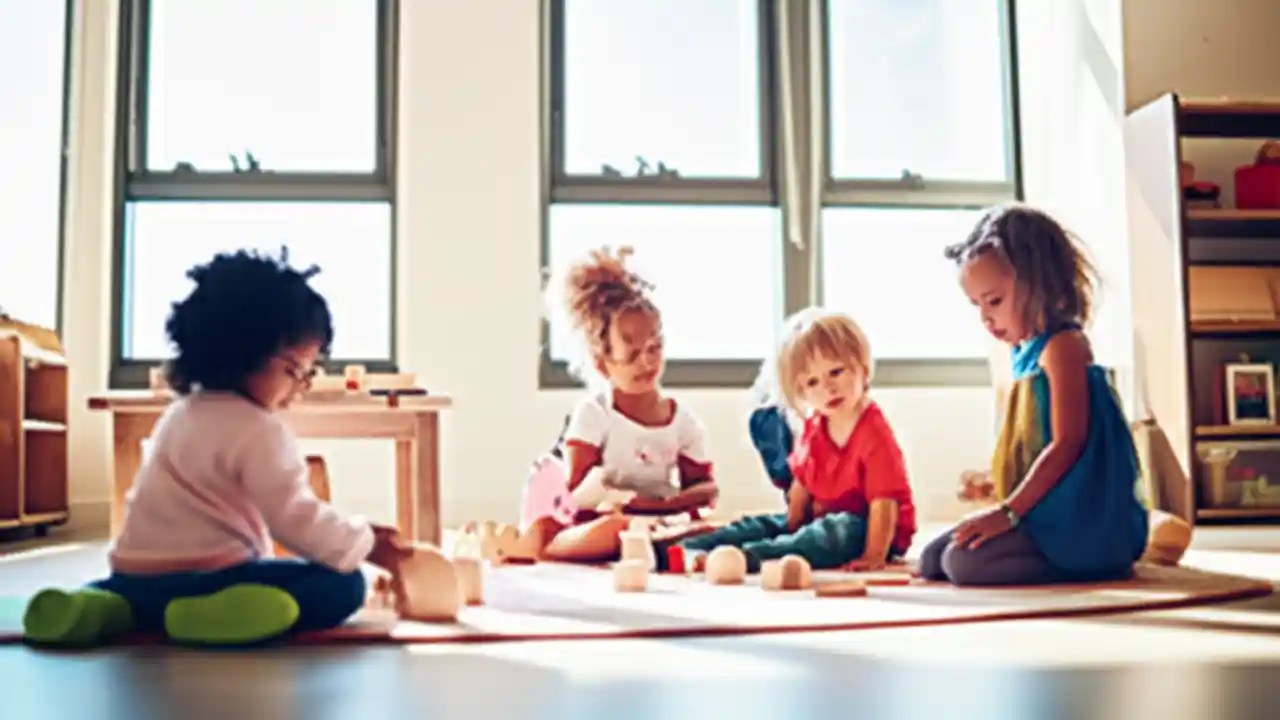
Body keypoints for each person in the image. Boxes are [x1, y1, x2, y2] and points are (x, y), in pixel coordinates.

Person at [23, 249, 411, 647]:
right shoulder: (258, 429)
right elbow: (294, 518)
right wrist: (362, 541)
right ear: (247, 351)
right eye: (297, 371)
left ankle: (99, 606)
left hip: (135, 577)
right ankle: (207, 615)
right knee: (342, 585)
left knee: (123, 595)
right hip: (213, 580)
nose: (301, 386)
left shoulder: (179, 414)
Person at [919, 203, 1148, 586]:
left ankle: (1089, 562)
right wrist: (996, 483)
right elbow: (1031, 442)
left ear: (1039, 284)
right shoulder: (1020, 355)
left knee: (962, 564)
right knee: (931, 560)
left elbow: (1068, 444)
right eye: (977, 306)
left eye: (994, 301)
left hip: (1081, 517)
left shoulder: (1064, 347)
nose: (986, 319)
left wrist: (1007, 513)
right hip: (1040, 511)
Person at [668, 308, 916, 572]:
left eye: (836, 372)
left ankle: (747, 557)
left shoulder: (874, 433)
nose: (828, 389)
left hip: (871, 529)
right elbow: (802, 484)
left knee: (837, 531)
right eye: (812, 382)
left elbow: (884, 504)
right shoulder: (816, 425)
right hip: (821, 519)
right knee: (761, 526)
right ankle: (690, 547)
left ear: (862, 368)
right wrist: (791, 524)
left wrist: (874, 555)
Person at [517, 245, 719, 562]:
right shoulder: (596, 413)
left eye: (654, 348)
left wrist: (660, 507)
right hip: (598, 521)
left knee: (714, 531)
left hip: (655, 521)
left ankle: (651, 548)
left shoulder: (683, 422)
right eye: (632, 354)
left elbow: (706, 491)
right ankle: (575, 548)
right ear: (602, 363)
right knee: (614, 529)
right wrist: (620, 501)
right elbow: (578, 496)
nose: (646, 363)